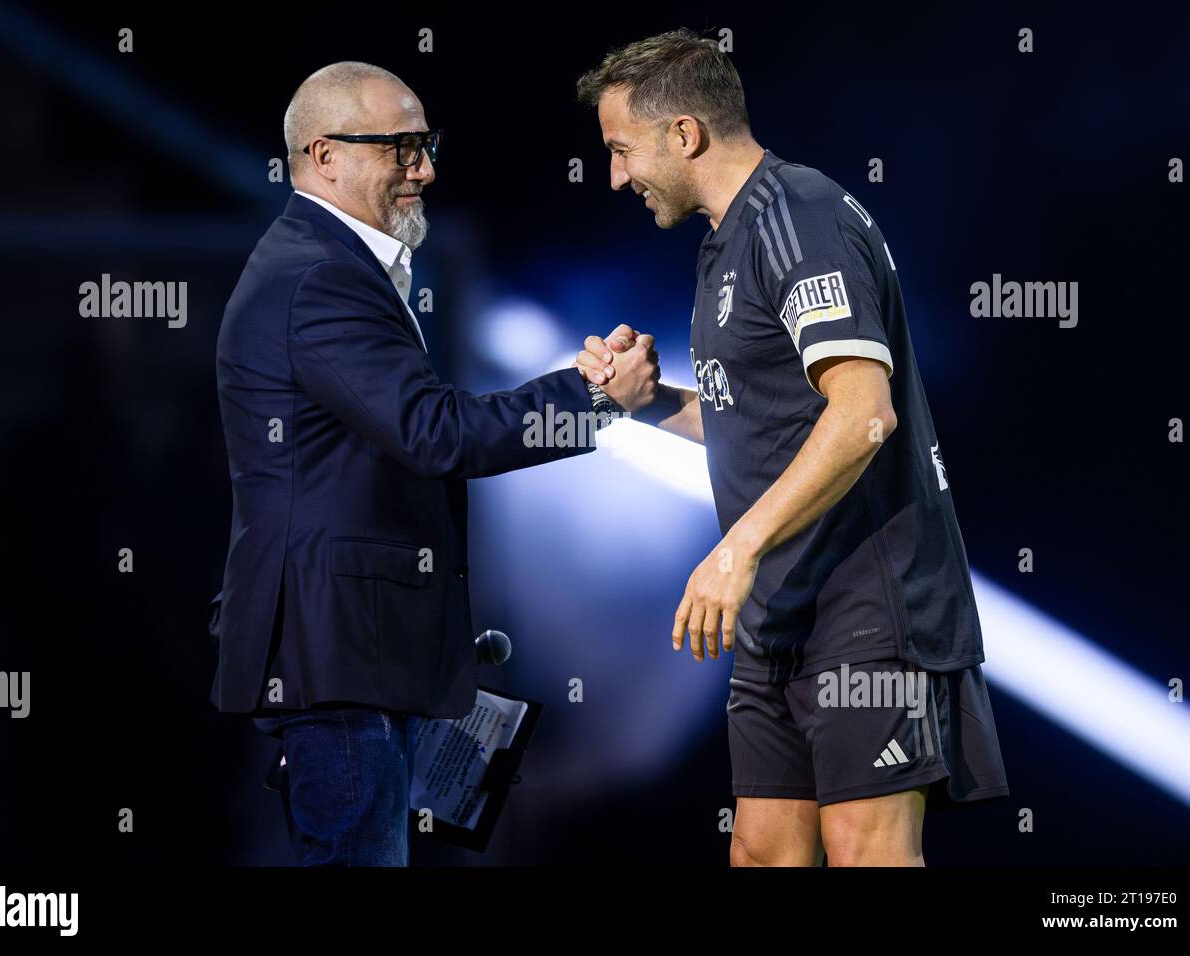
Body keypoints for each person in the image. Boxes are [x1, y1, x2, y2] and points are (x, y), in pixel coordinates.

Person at [572, 29, 1008, 866]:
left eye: (622, 150)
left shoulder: (796, 214)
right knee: (764, 853)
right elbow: (761, 418)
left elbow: (863, 415)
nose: (617, 175)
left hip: (869, 602)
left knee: (864, 853)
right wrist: (644, 402)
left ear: (685, 134)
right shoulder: (724, 242)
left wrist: (737, 548)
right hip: (780, 612)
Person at [209, 61, 660, 866]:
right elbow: (436, 432)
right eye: (403, 148)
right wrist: (594, 396)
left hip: (354, 663)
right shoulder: (317, 278)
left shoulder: (325, 267)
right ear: (324, 156)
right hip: (338, 668)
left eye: (427, 144)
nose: (426, 169)